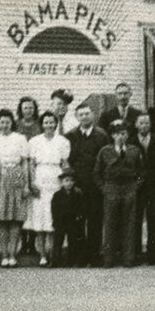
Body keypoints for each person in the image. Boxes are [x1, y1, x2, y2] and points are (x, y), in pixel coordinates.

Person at [95, 119, 144, 267]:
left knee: (129, 223)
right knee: (110, 223)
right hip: (112, 188)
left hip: (129, 188)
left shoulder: (134, 151)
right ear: (112, 136)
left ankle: (128, 258)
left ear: (128, 135)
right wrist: (104, 188)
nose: (120, 137)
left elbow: (142, 172)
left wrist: (135, 186)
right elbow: (97, 173)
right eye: (117, 134)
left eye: (123, 133)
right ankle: (108, 259)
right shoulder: (105, 151)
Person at [24, 109, 69, 267]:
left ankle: (52, 253)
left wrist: (65, 184)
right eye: (46, 122)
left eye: (52, 122)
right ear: (42, 124)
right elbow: (30, 164)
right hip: (40, 178)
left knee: (52, 219)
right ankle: (42, 255)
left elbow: (65, 164)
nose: (49, 125)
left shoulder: (63, 141)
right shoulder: (34, 141)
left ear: (56, 124)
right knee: (39, 219)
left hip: (55, 178)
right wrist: (31, 183)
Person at [65, 103, 107, 266]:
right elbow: (69, 161)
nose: (84, 117)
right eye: (81, 114)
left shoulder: (102, 135)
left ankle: (94, 256)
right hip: (78, 186)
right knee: (77, 222)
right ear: (76, 117)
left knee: (95, 221)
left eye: (87, 113)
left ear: (93, 115)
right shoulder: (71, 136)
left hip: (96, 185)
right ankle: (79, 258)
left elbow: (105, 159)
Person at [0, 108, 30, 266]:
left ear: (12, 123)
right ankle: (3, 253)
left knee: (15, 218)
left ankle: (13, 253)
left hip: (16, 175)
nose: (5, 125)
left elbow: (25, 162)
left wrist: (26, 184)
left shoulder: (20, 138)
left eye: (7, 122)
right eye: (2, 122)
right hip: (0, 177)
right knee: (1, 218)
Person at [131, 112, 155, 264]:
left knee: (153, 219)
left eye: (146, 123)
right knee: (135, 220)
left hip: (153, 186)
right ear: (136, 125)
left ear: (150, 125)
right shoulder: (131, 142)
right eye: (141, 123)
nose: (144, 126)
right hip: (136, 187)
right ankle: (136, 254)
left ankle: (153, 256)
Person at [50, 165, 84, 267]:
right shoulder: (57, 195)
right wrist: (55, 219)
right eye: (66, 180)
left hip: (72, 221)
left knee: (72, 241)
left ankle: (71, 261)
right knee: (58, 241)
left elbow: (80, 207)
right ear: (61, 182)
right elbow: (54, 208)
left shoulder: (76, 194)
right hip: (60, 221)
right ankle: (55, 261)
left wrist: (78, 216)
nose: (69, 183)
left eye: (71, 181)